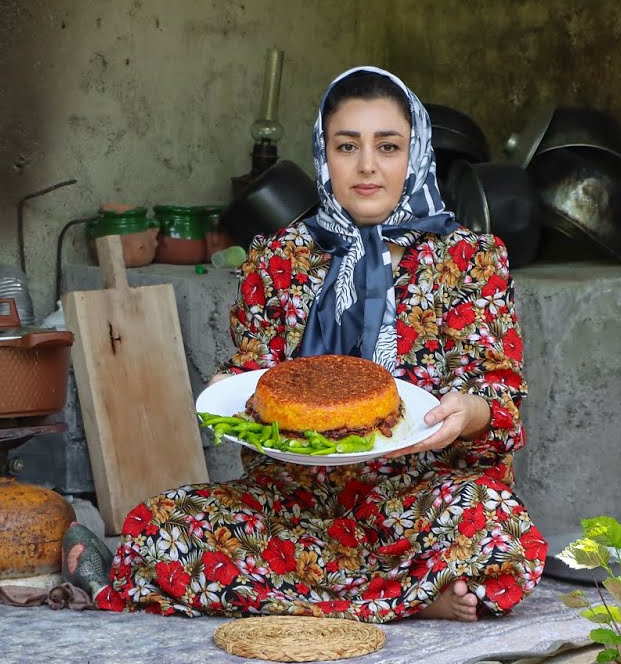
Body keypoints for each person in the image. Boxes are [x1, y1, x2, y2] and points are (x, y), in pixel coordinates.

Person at [88, 66, 547, 623]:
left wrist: (470, 413)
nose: (368, 166)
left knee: (493, 523)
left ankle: (328, 598)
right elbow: (255, 379)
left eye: (388, 146)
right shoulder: (279, 258)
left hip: (420, 500)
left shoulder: (471, 259)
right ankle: (415, 599)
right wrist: (233, 388)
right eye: (347, 146)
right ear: (323, 154)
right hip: (294, 507)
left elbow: (498, 399)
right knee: (158, 528)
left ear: (417, 152)